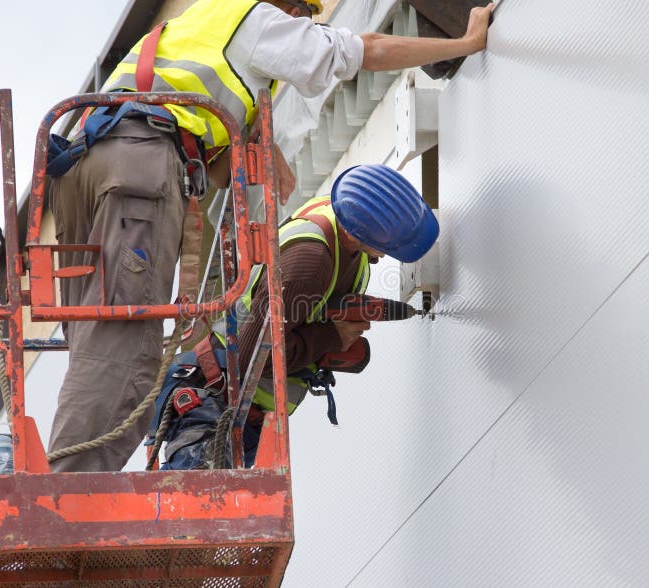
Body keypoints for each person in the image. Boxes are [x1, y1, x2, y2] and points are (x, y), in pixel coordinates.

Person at [48, 0, 493, 472]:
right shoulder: (258, 20)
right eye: (305, 13)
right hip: (141, 165)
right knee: (127, 348)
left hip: (86, 165)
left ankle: (49, 468)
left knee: (94, 339)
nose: (307, 24)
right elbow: (368, 48)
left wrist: (256, 136)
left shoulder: (202, 26)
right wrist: (468, 43)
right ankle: (67, 491)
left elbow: (219, 170)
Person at [150, 164, 438, 469]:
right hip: (212, 400)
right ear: (356, 234)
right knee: (195, 510)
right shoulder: (310, 263)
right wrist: (331, 336)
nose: (385, 254)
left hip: (241, 413)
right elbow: (250, 359)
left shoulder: (341, 210)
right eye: (385, 247)